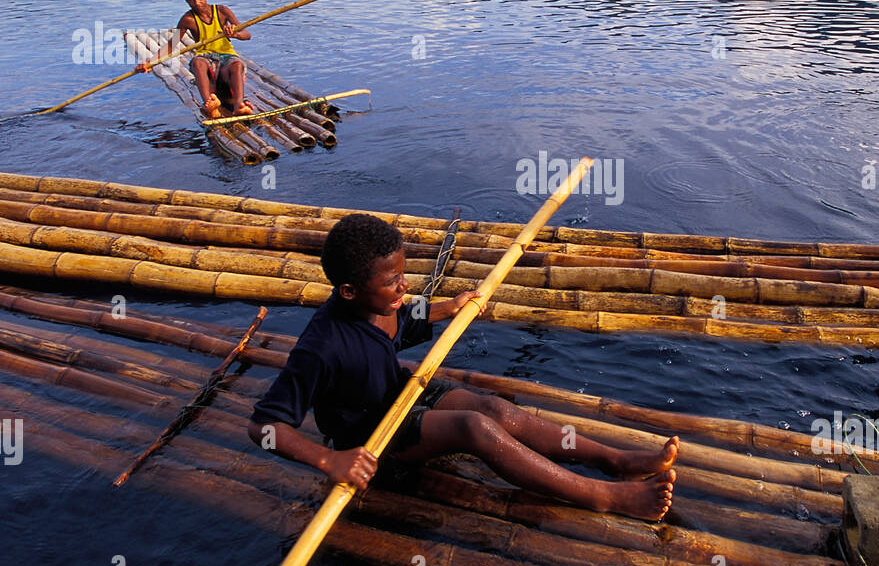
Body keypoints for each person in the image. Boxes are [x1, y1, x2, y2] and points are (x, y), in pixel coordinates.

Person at [248, 214, 678, 522]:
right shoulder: (320, 348)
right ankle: (604, 496)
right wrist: (330, 459)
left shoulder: (380, 303)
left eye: (403, 274)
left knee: (497, 410)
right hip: (371, 435)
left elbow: (408, 316)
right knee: (474, 426)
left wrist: (448, 308)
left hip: (398, 391)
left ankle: (614, 459)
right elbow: (264, 428)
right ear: (348, 290)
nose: (404, 286)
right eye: (391, 282)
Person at [141, 0, 255, 119]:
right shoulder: (187, 19)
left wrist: (235, 33)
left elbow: (247, 34)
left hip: (227, 58)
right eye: (191, 0)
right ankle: (210, 106)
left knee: (237, 64)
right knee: (197, 62)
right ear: (185, 0)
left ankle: (239, 106)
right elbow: (171, 45)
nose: (196, 3)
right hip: (206, 59)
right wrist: (151, 62)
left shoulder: (222, 11)